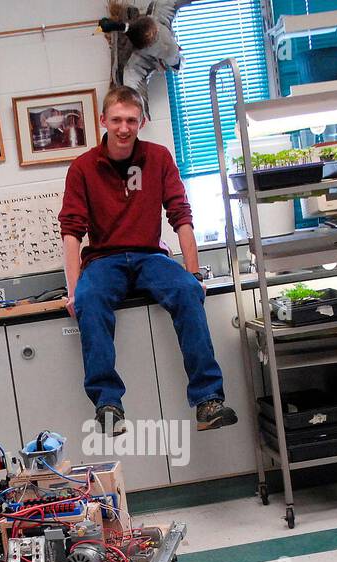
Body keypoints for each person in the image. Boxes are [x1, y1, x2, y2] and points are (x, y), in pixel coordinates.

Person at [59, 84, 238, 435]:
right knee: (89, 301)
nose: (124, 127)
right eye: (116, 120)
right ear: (103, 121)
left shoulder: (158, 158)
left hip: (149, 256)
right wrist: (72, 290)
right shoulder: (82, 168)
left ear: (142, 121)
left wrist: (194, 273)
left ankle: (207, 401)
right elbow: (71, 233)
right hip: (104, 260)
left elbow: (181, 217)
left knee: (187, 291)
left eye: (131, 119)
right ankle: (108, 404)